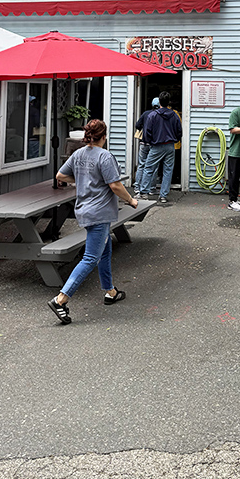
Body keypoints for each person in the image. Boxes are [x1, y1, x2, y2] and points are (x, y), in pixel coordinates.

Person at [47, 118, 137, 325]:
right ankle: (60, 300)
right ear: (104, 136)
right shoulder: (105, 156)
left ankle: (110, 291)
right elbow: (115, 185)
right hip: (100, 213)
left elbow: (60, 175)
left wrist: (81, 180)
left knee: (104, 250)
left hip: (84, 210)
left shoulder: (78, 154)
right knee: (90, 258)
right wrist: (131, 200)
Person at [139, 90, 182, 204]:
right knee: (168, 171)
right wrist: (175, 139)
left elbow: (147, 132)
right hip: (170, 145)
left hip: (156, 145)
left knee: (149, 168)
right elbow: (179, 131)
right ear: (168, 102)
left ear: (159, 102)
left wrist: (150, 142)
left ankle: (144, 192)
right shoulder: (174, 115)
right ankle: (163, 195)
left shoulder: (153, 115)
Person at [133, 97, 160, 194]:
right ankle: (152, 188)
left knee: (141, 164)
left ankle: (137, 186)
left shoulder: (145, 114)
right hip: (155, 144)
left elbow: (137, 125)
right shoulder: (160, 115)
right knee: (154, 166)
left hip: (143, 143)